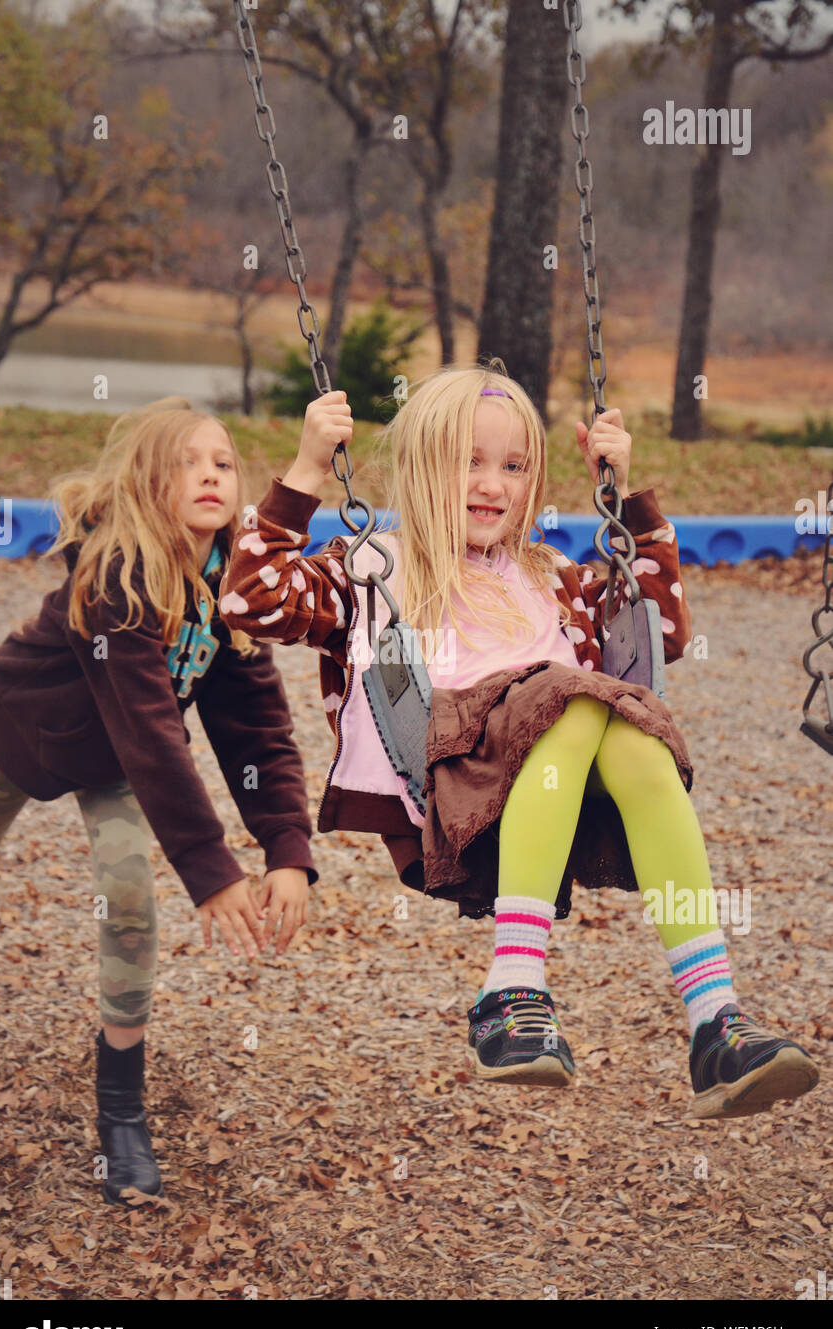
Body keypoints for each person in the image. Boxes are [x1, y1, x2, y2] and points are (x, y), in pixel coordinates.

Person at [218, 363, 819, 1121]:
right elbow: (251, 602)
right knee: (568, 703)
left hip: (557, 784)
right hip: (450, 776)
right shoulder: (375, 569)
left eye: (512, 466)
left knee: (632, 731)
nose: (492, 484)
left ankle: (714, 1021)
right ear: (418, 466)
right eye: (467, 460)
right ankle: (512, 989)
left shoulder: (552, 577)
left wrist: (626, 500)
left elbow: (659, 632)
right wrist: (305, 471)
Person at [0, 397, 316, 1203]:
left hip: (118, 755)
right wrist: (212, 869)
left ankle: (121, 1113)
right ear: (145, 484)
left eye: (223, 463)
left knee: (128, 902)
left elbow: (256, 727)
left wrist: (287, 851)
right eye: (185, 463)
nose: (209, 474)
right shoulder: (119, 577)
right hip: (16, 730)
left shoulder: (231, 587)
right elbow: (155, 735)